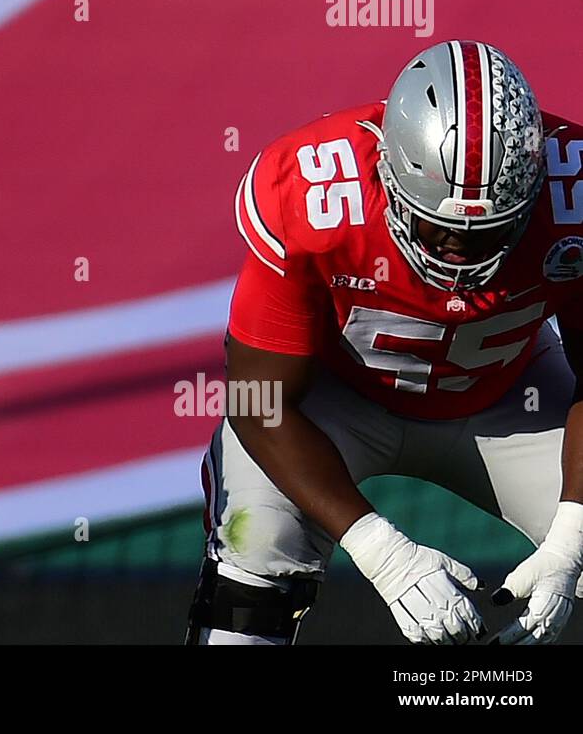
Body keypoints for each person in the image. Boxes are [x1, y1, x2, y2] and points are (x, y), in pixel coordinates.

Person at [187, 41, 583, 645]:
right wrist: (383, 553)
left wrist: (570, 544)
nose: (463, 256)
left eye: (489, 232)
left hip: (509, 390)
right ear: (390, 178)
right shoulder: (314, 189)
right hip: (335, 399)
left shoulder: (573, 188)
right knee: (257, 543)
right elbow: (257, 402)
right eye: (443, 230)